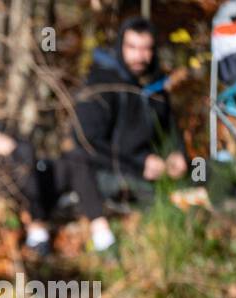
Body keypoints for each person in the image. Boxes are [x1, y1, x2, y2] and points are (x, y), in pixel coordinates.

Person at [0, 59, 115, 255]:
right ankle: (37, 237)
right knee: (21, 166)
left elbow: (27, 150)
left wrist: (7, 145)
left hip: (28, 185)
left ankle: (103, 237)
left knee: (74, 160)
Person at [72, 17, 187, 209]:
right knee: (159, 201)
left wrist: (178, 153)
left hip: (155, 170)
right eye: (132, 47)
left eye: (146, 48)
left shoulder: (156, 85)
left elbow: (170, 130)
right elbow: (87, 143)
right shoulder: (101, 85)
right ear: (120, 47)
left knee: (208, 174)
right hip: (110, 173)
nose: (139, 57)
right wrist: (140, 164)